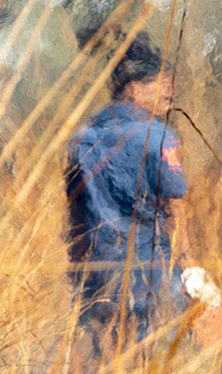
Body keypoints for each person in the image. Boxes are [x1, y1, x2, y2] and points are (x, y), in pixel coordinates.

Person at [66, 37, 192, 350]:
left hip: (98, 276)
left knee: (104, 367)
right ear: (133, 88)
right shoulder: (159, 137)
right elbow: (174, 207)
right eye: (162, 84)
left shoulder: (82, 137)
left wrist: (79, 275)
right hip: (151, 274)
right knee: (158, 369)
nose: (170, 93)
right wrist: (190, 266)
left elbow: (76, 216)